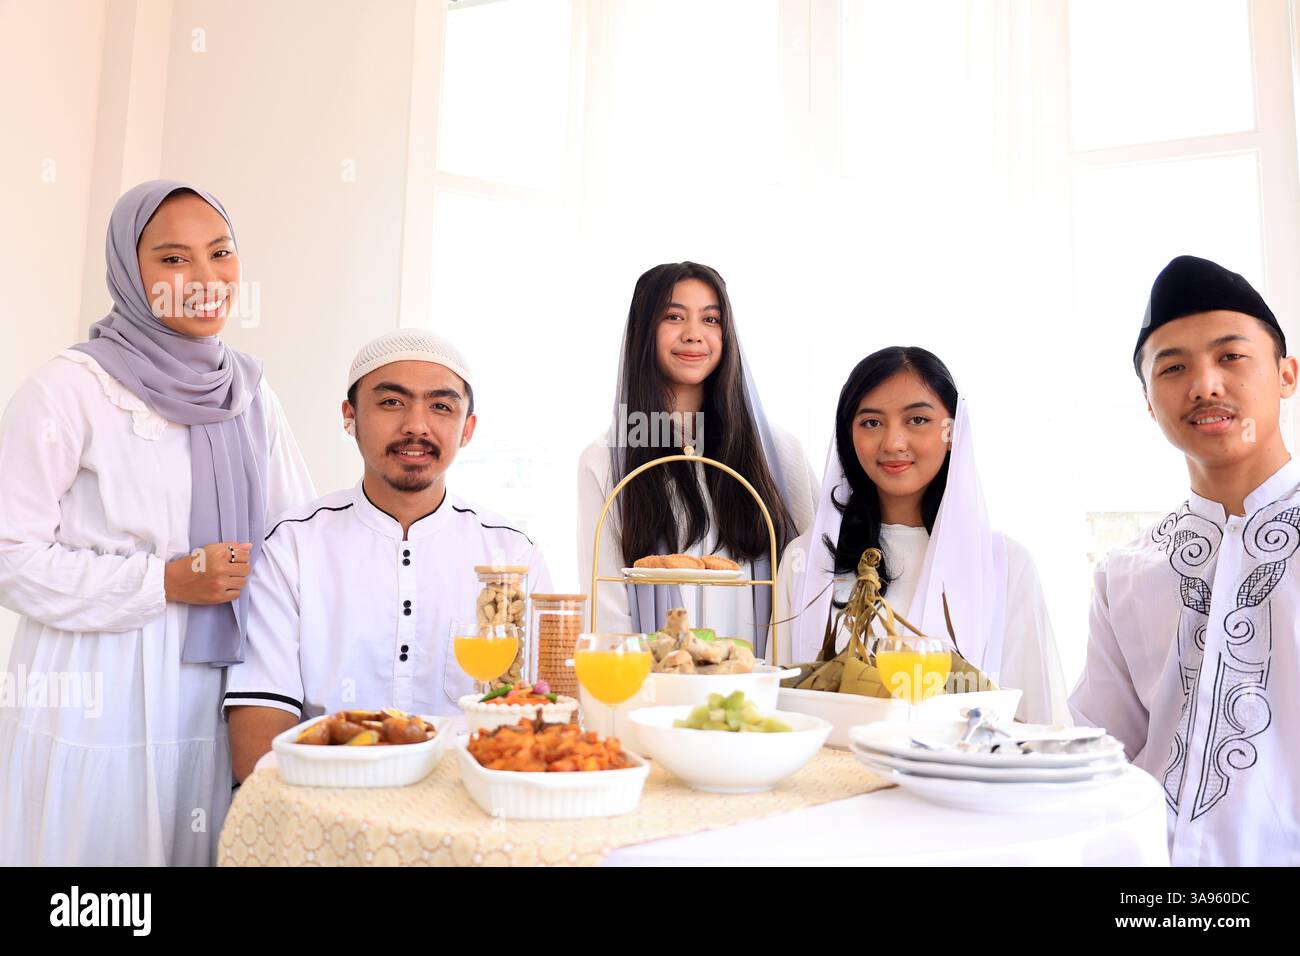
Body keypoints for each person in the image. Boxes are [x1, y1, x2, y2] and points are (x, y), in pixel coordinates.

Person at [0, 180, 315, 865]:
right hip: (97, 679)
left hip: (220, 688)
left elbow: (296, 545)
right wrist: (162, 581)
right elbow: (9, 553)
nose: (204, 279)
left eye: (221, 253)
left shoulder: (253, 396)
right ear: (128, 270)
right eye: (173, 259)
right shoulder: (73, 387)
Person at [225, 329, 552, 781]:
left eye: (441, 406)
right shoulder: (293, 545)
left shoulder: (511, 552)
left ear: (468, 428)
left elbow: (546, 713)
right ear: (350, 416)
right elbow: (258, 737)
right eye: (392, 402)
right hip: (327, 805)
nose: (416, 425)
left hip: (473, 805)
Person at [1071, 255, 1300, 865]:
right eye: (1173, 367)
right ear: (1149, 401)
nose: (1204, 385)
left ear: (1286, 374)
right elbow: (1101, 757)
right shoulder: (1124, 575)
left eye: (1231, 356)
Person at [776, 347, 1069, 724]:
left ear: (952, 431)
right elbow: (779, 713)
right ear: (848, 435)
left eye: (917, 419)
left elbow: (1041, 722)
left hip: (961, 780)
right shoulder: (806, 560)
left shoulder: (1005, 564)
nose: (894, 442)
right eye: (871, 422)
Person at [576, 262, 818, 657]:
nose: (694, 334)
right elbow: (608, 608)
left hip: (763, 693)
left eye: (711, 319)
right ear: (644, 332)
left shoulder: (778, 450)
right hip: (660, 693)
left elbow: (813, 576)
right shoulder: (605, 459)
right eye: (674, 316)